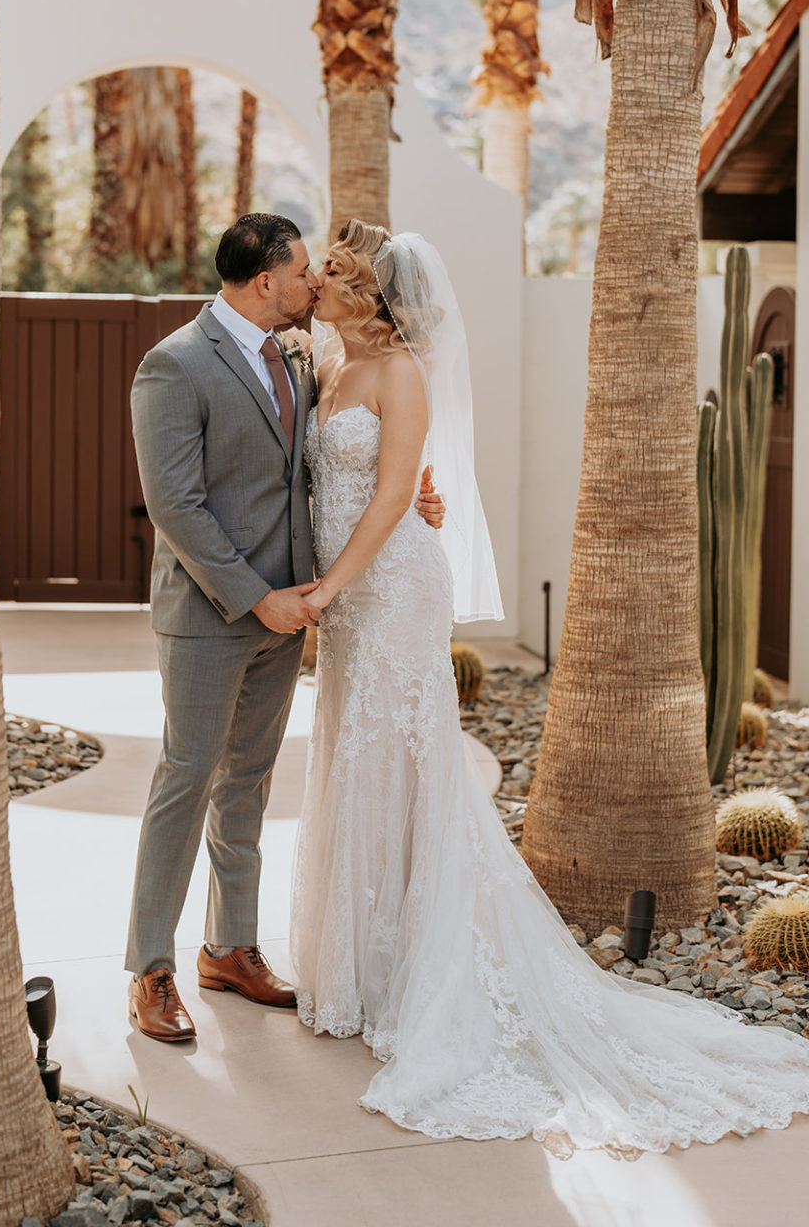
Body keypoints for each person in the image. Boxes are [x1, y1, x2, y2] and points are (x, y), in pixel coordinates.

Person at [292, 218, 809, 1154]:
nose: (314, 286)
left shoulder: (400, 374)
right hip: (349, 599)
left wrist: (330, 587)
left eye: (329, 275)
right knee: (353, 759)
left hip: (393, 590)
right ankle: (357, 966)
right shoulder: (326, 368)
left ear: (367, 293)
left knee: (402, 760)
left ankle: (411, 968)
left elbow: (396, 495)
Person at [126, 213, 441, 1042]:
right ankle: (151, 966)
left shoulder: (306, 355)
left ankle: (230, 947)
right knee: (185, 779)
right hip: (212, 612)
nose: (313, 283)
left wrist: (417, 504)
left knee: (249, 784)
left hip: (293, 611)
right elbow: (176, 507)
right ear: (265, 280)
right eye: (303, 271)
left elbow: (352, 467)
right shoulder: (175, 364)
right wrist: (254, 597)